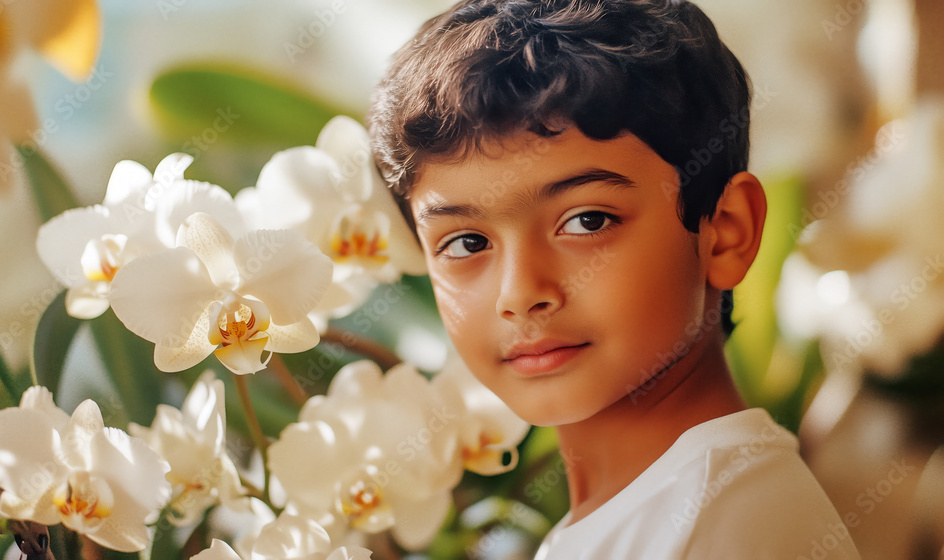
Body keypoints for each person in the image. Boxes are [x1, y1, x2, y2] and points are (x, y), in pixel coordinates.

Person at [367, 0, 862, 558]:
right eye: (467, 243)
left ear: (726, 232)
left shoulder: (723, 525)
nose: (520, 294)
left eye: (586, 221)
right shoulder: (642, 517)